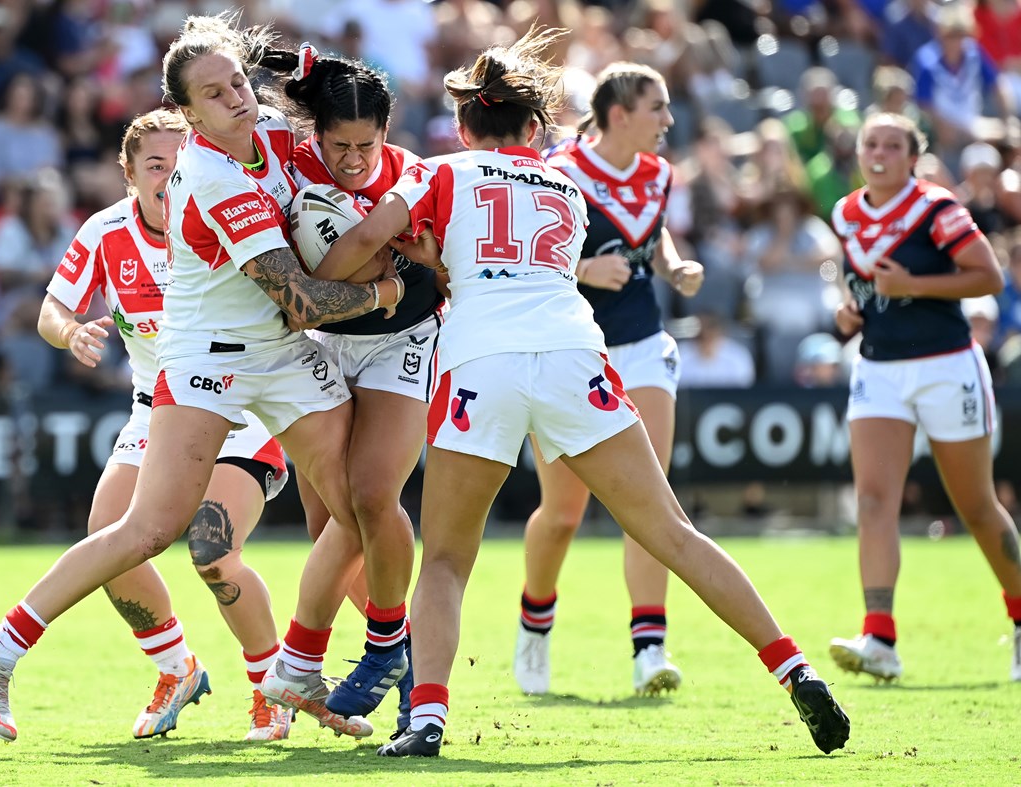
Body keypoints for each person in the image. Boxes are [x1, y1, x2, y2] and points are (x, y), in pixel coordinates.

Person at [316, 27, 851, 758]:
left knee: (445, 559)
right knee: (671, 532)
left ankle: (428, 717)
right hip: (575, 356)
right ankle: (794, 668)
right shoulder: (567, 187)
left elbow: (363, 251)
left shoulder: (438, 175)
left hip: (482, 364)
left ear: (464, 124)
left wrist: (321, 286)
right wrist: (446, 259)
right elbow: (525, 271)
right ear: (535, 126)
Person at [0, 13, 403, 742]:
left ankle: (323, 669)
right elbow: (301, 301)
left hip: (283, 354)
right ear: (187, 115)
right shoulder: (211, 175)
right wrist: (389, 290)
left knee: (363, 506)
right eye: (215, 93)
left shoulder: (277, 133)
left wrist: (303, 70)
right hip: (210, 357)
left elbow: (343, 106)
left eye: (238, 83)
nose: (236, 98)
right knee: (149, 528)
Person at [37, 108, 292, 741]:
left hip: (242, 407)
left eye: (183, 161)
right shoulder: (106, 231)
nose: (172, 174)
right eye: (156, 163)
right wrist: (70, 333)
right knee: (107, 540)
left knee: (213, 552)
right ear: (127, 173)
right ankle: (175, 667)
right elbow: (52, 308)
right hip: (157, 410)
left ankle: (272, 687)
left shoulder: (228, 214)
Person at [258, 43, 443, 734]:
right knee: (330, 527)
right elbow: (320, 289)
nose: (355, 159)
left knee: (369, 496)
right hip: (323, 344)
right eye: (341, 145)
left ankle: (375, 647)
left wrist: (387, 262)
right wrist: (376, 262)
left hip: (405, 338)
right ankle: (408, 662)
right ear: (317, 135)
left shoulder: (417, 177)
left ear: (388, 133)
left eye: (368, 144)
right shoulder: (288, 159)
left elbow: (434, 273)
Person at [512, 62, 704, 698]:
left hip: (645, 344)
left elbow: (652, 231)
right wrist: (586, 270)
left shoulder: (659, 173)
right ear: (620, 114)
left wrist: (674, 266)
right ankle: (534, 626)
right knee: (562, 512)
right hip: (570, 350)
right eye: (658, 108)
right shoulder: (558, 170)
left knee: (652, 505)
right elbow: (526, 250)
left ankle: (650, 647)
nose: (667, 122)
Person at [827, 112, 1021, 683]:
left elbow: (988, 277)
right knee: (872, 502)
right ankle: (879, 637)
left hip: (946, 366)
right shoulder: (846, 212)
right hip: (879, 368)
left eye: (893, 144)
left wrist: (912, 286)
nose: (880, 152)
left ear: (914, 157)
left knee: (977, 507)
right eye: (871, 143)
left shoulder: (937, 208)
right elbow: (861, 283)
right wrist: (851, 309)